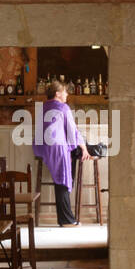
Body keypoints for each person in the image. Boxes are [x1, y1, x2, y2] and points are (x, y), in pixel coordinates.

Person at [33, 80, 91, 227]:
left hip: (43, 148)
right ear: (58, 93)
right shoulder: (62, 107)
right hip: (57, 147)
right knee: (64, 179)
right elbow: (73, 131)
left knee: (62, 178)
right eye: (65, 91)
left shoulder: (43, 107)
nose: (67, 94)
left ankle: (65, 218)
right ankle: (66, 220)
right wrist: (84, 148)